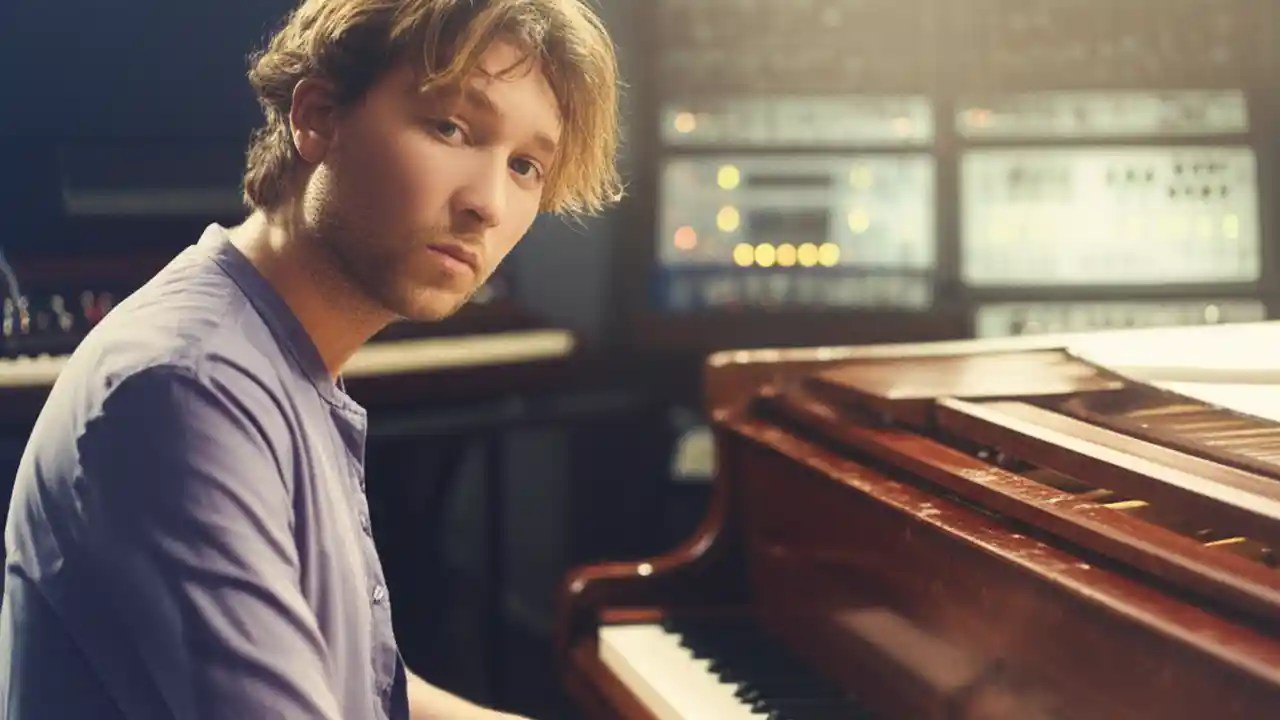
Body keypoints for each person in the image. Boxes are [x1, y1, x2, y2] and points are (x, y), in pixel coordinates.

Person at [0, 0, 622, 717]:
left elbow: (360, 689)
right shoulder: (185, 393)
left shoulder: (274, 346)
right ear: (319, 117)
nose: (487, 203)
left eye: (524, 166)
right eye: (450, 127)